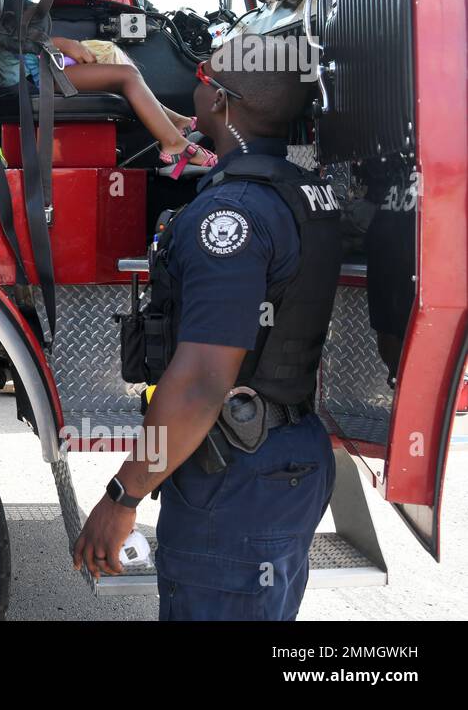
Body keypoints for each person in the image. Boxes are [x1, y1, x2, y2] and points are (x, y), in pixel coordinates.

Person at [72, 41, 343, 620]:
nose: (195, 83)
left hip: (238, 473)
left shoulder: (232, 217)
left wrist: (123, 496)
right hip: (277, 459)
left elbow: (200, 382)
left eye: (202, 72)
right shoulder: (303, 191)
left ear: (220, 99)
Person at [0, 0, 216, 176]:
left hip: (33, 74)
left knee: (118, 68)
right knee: (127, 76)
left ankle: (175, 122)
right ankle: (174, 143)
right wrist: (62, 44)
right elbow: (10, 36)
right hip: (26, 81)